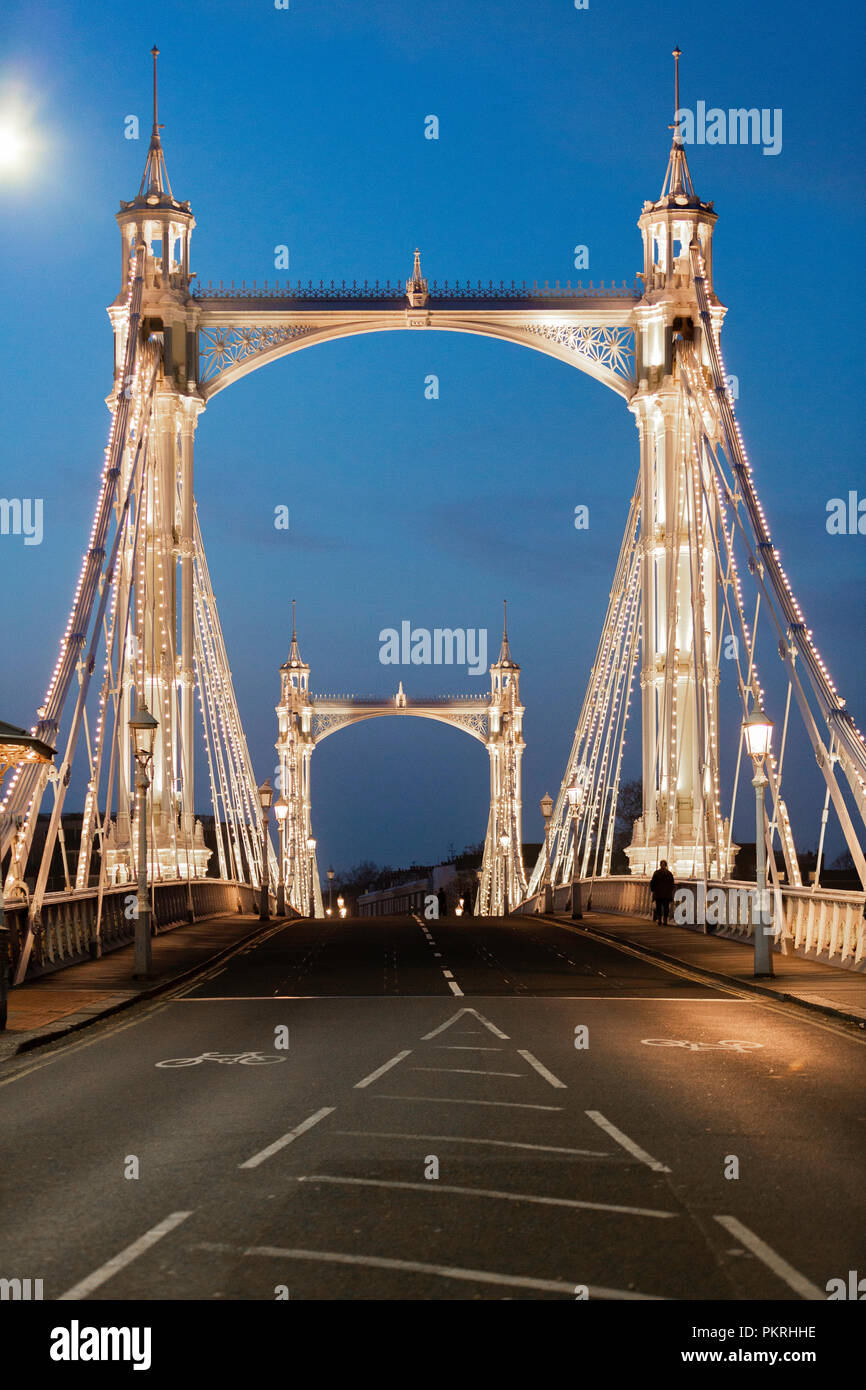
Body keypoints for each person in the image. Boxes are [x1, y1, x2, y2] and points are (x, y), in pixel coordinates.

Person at [649, 859, 675, 924]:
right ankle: (662, 920)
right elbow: (672, 884)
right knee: (662, 907)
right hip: (663, 893)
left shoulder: (658, 873)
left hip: (661, 893)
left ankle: (662, 920)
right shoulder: (668, 873)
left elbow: (652, 883)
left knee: (662, 907)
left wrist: (653, 890)